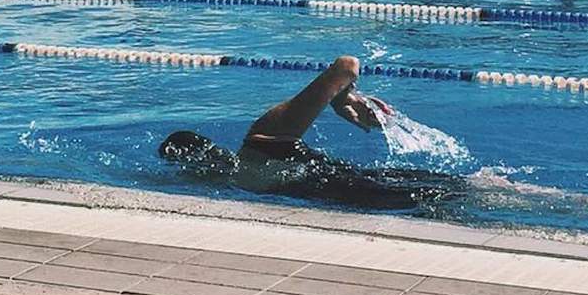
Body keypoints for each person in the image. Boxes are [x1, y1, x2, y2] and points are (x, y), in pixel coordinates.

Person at [158, 56, 464, 210]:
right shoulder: (246, 168)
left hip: (368, 194)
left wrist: (341, 98)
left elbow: (347, 65)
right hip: (372, 190)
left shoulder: (262, 139)